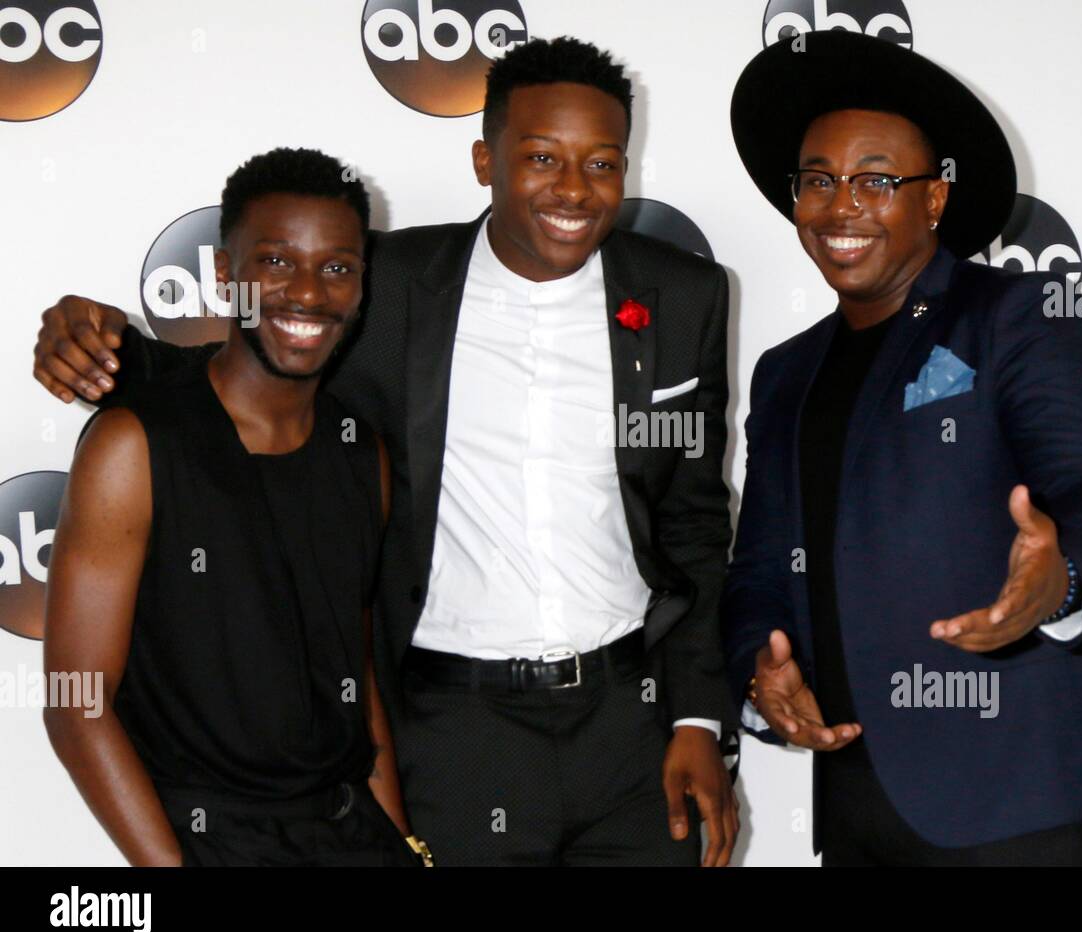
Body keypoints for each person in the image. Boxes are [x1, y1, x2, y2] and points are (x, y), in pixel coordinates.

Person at [33, 37, 739, 866]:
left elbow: (694, 521)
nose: (574, 190)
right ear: (487, 159)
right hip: (453, 733)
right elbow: (270, 354)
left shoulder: (683, 298)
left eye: (603, 162)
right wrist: (113, 345)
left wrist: (699, 718)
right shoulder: (392, 285)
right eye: (543, 157)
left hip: (633, 725)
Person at [723, 31, 1082, 865]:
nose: (842, 207)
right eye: (818, 180)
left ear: (936, 200)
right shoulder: (785, 373)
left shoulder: (1021, 314)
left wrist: (1056, 584)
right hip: (857, 800)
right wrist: (755, 670)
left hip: (1015, 795)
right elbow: (761, 566)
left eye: (877, 180)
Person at [42, 148, 429, 866]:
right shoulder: (133, 446)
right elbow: (76, 703)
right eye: (276, 263)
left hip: (353, 833)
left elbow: (354, 674)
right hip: (211, 840)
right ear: (225, 276)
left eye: (338, 268)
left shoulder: (358, 451)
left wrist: (400, 840)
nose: (308, 293)